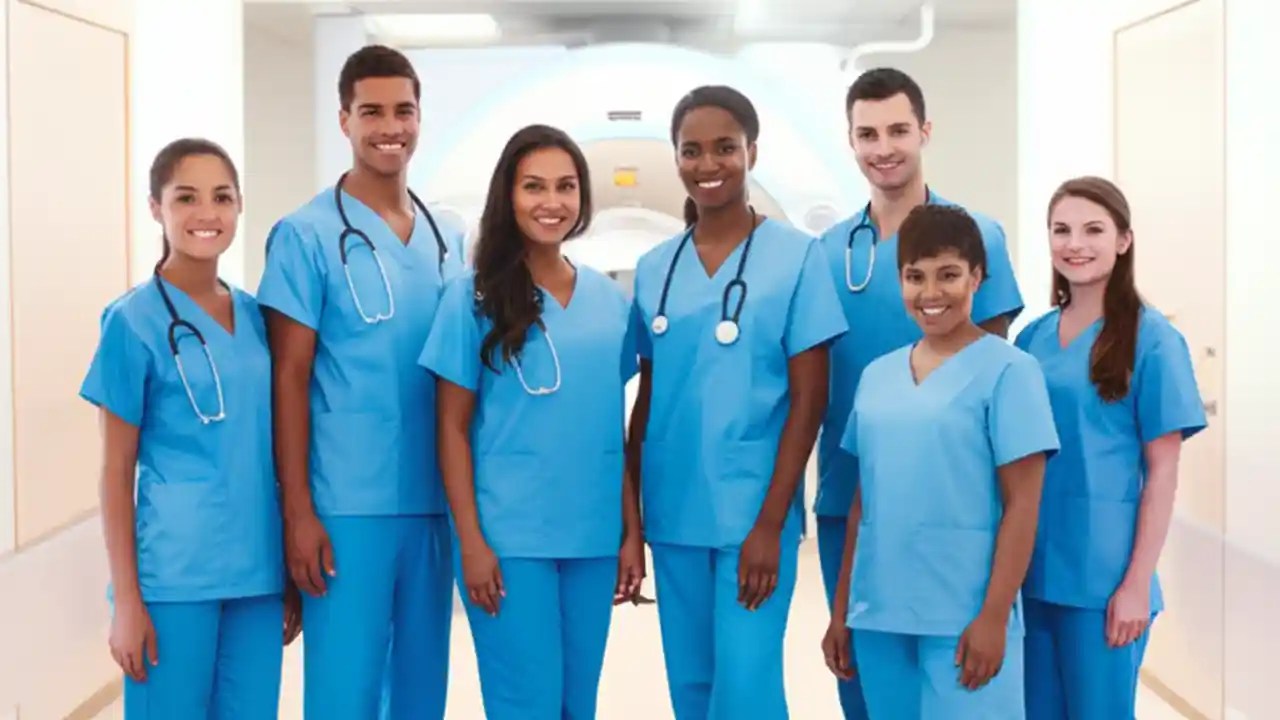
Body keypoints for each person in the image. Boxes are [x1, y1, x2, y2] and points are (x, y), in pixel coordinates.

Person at [255, 45, 465, 719]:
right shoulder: (306, 235)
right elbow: (287, 380)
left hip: (433, 504)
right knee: (345, 695)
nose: (389, 126)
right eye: (371, 111)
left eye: (404, 110)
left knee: (420, 693)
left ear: (420, 118)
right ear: (344, 119)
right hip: (346, 505)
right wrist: (297, 513)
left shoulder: (448, 236)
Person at [627, 85, 848, 719]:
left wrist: (770, 526)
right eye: (691, 150)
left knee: (745, 689)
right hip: (674, 511)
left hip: (755, 511)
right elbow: (649, 395)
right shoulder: (654, 267)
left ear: (752, 150)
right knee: (692, 688)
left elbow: (810, 399)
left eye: (725, 147)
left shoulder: (797, 257)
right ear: (676, 159)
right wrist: (635, 517)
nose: (708, 164)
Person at [813, 67, 1026, 718]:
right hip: (851, 497)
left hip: (953, 506)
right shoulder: (826, 252)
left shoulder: (976, 237)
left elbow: (986, 374)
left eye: (899, 130)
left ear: (925, 131)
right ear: (849, 141)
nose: (884, 148)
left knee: (961, 679)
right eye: (867, 133)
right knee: (864, 682)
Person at [419, 123, 644, 718]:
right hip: (511, 538)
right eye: (534, 187)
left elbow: (607, 428)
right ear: (508, 196)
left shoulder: (608, 302)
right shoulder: (471, 298)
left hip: (592, 536)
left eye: (566, 187)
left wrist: (630, 530)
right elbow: (451, 428)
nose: (552, 202)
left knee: (578, 705)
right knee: (528, 704)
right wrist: (470, 541)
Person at [80, 138, 301, 718]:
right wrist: (126, 599)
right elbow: (114, 473)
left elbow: (274, 453)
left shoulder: (258, 318)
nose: (207, 213)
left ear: (239, 206)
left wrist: (284, 572)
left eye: (222, 197)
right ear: (156, 208)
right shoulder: (132, 322)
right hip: (173, 581)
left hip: (255, 575)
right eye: (187, 198)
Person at [822, 204, 1057, 718]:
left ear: (977, 276)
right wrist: (842, 613)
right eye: (915, 277)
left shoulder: (1010, 372)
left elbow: (1023, 505)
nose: (931, 294)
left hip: (965, 617)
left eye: (949, 275)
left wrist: (994, 617)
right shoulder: (878, 376)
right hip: (880, 614)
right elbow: (864, 505)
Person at [1014, 177, 1206, 719]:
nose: (1075, 243)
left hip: (1103, 580)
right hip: (1032, 573)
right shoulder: (1032, 337)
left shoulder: (1154, 340)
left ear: (1123, 240)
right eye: (1062, 230)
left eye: (1093, 229)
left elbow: (1163, 471)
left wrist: (1136, 584)